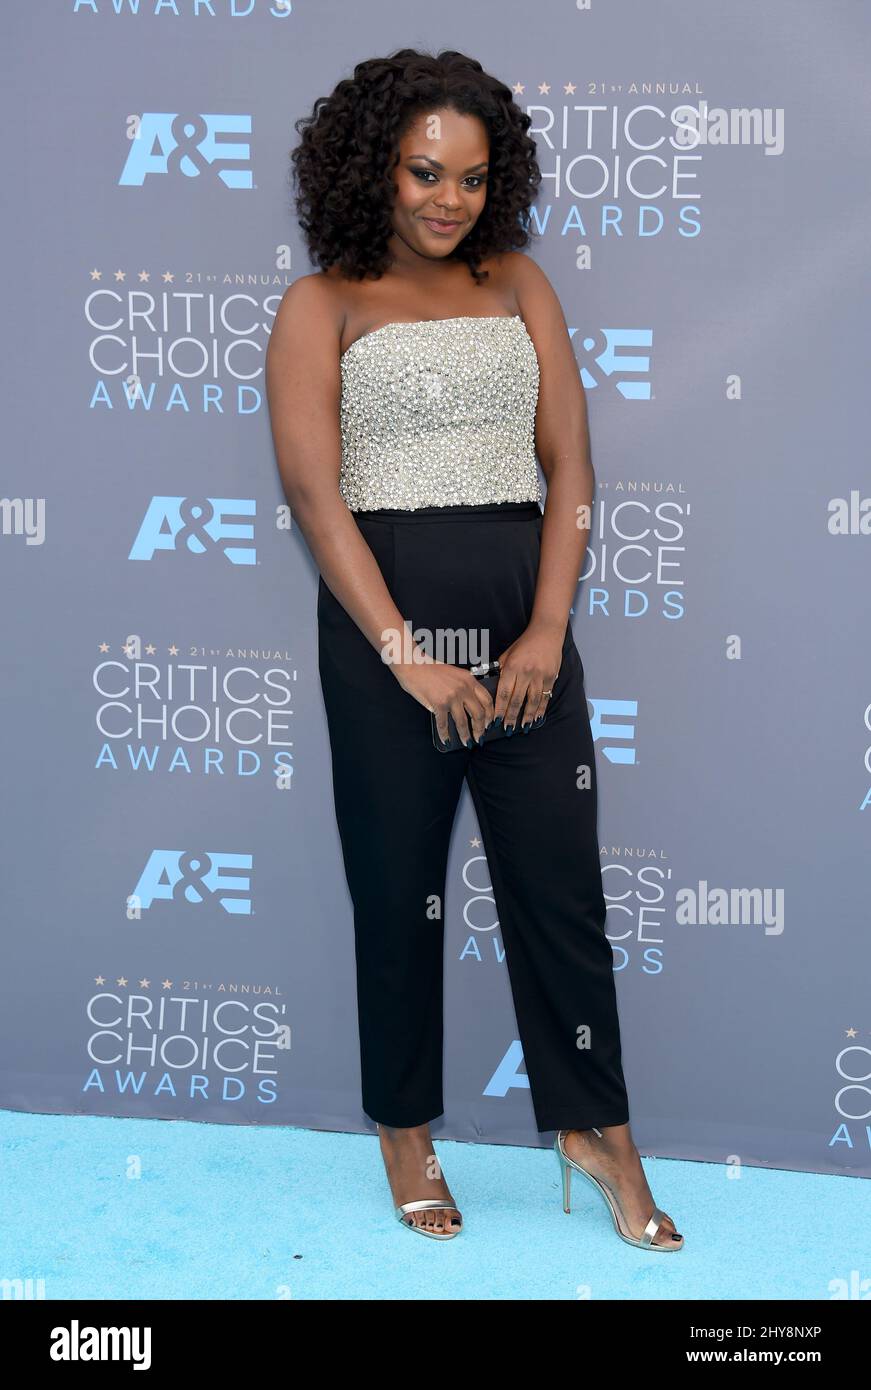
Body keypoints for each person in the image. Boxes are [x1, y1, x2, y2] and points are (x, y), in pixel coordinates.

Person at [266, 47, 683, 1250]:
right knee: (395, 892)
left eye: (471, 176)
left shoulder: (519, 285)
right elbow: (314, 494)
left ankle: (597, 1131)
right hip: (386, 635)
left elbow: (571, 466)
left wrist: (546, 628)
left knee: (561, 895)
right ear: (372, 170)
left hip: (522, 626)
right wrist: (404, 653)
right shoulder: (323, 304)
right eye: (422, 172)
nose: (447, 199)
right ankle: (404, 1129)